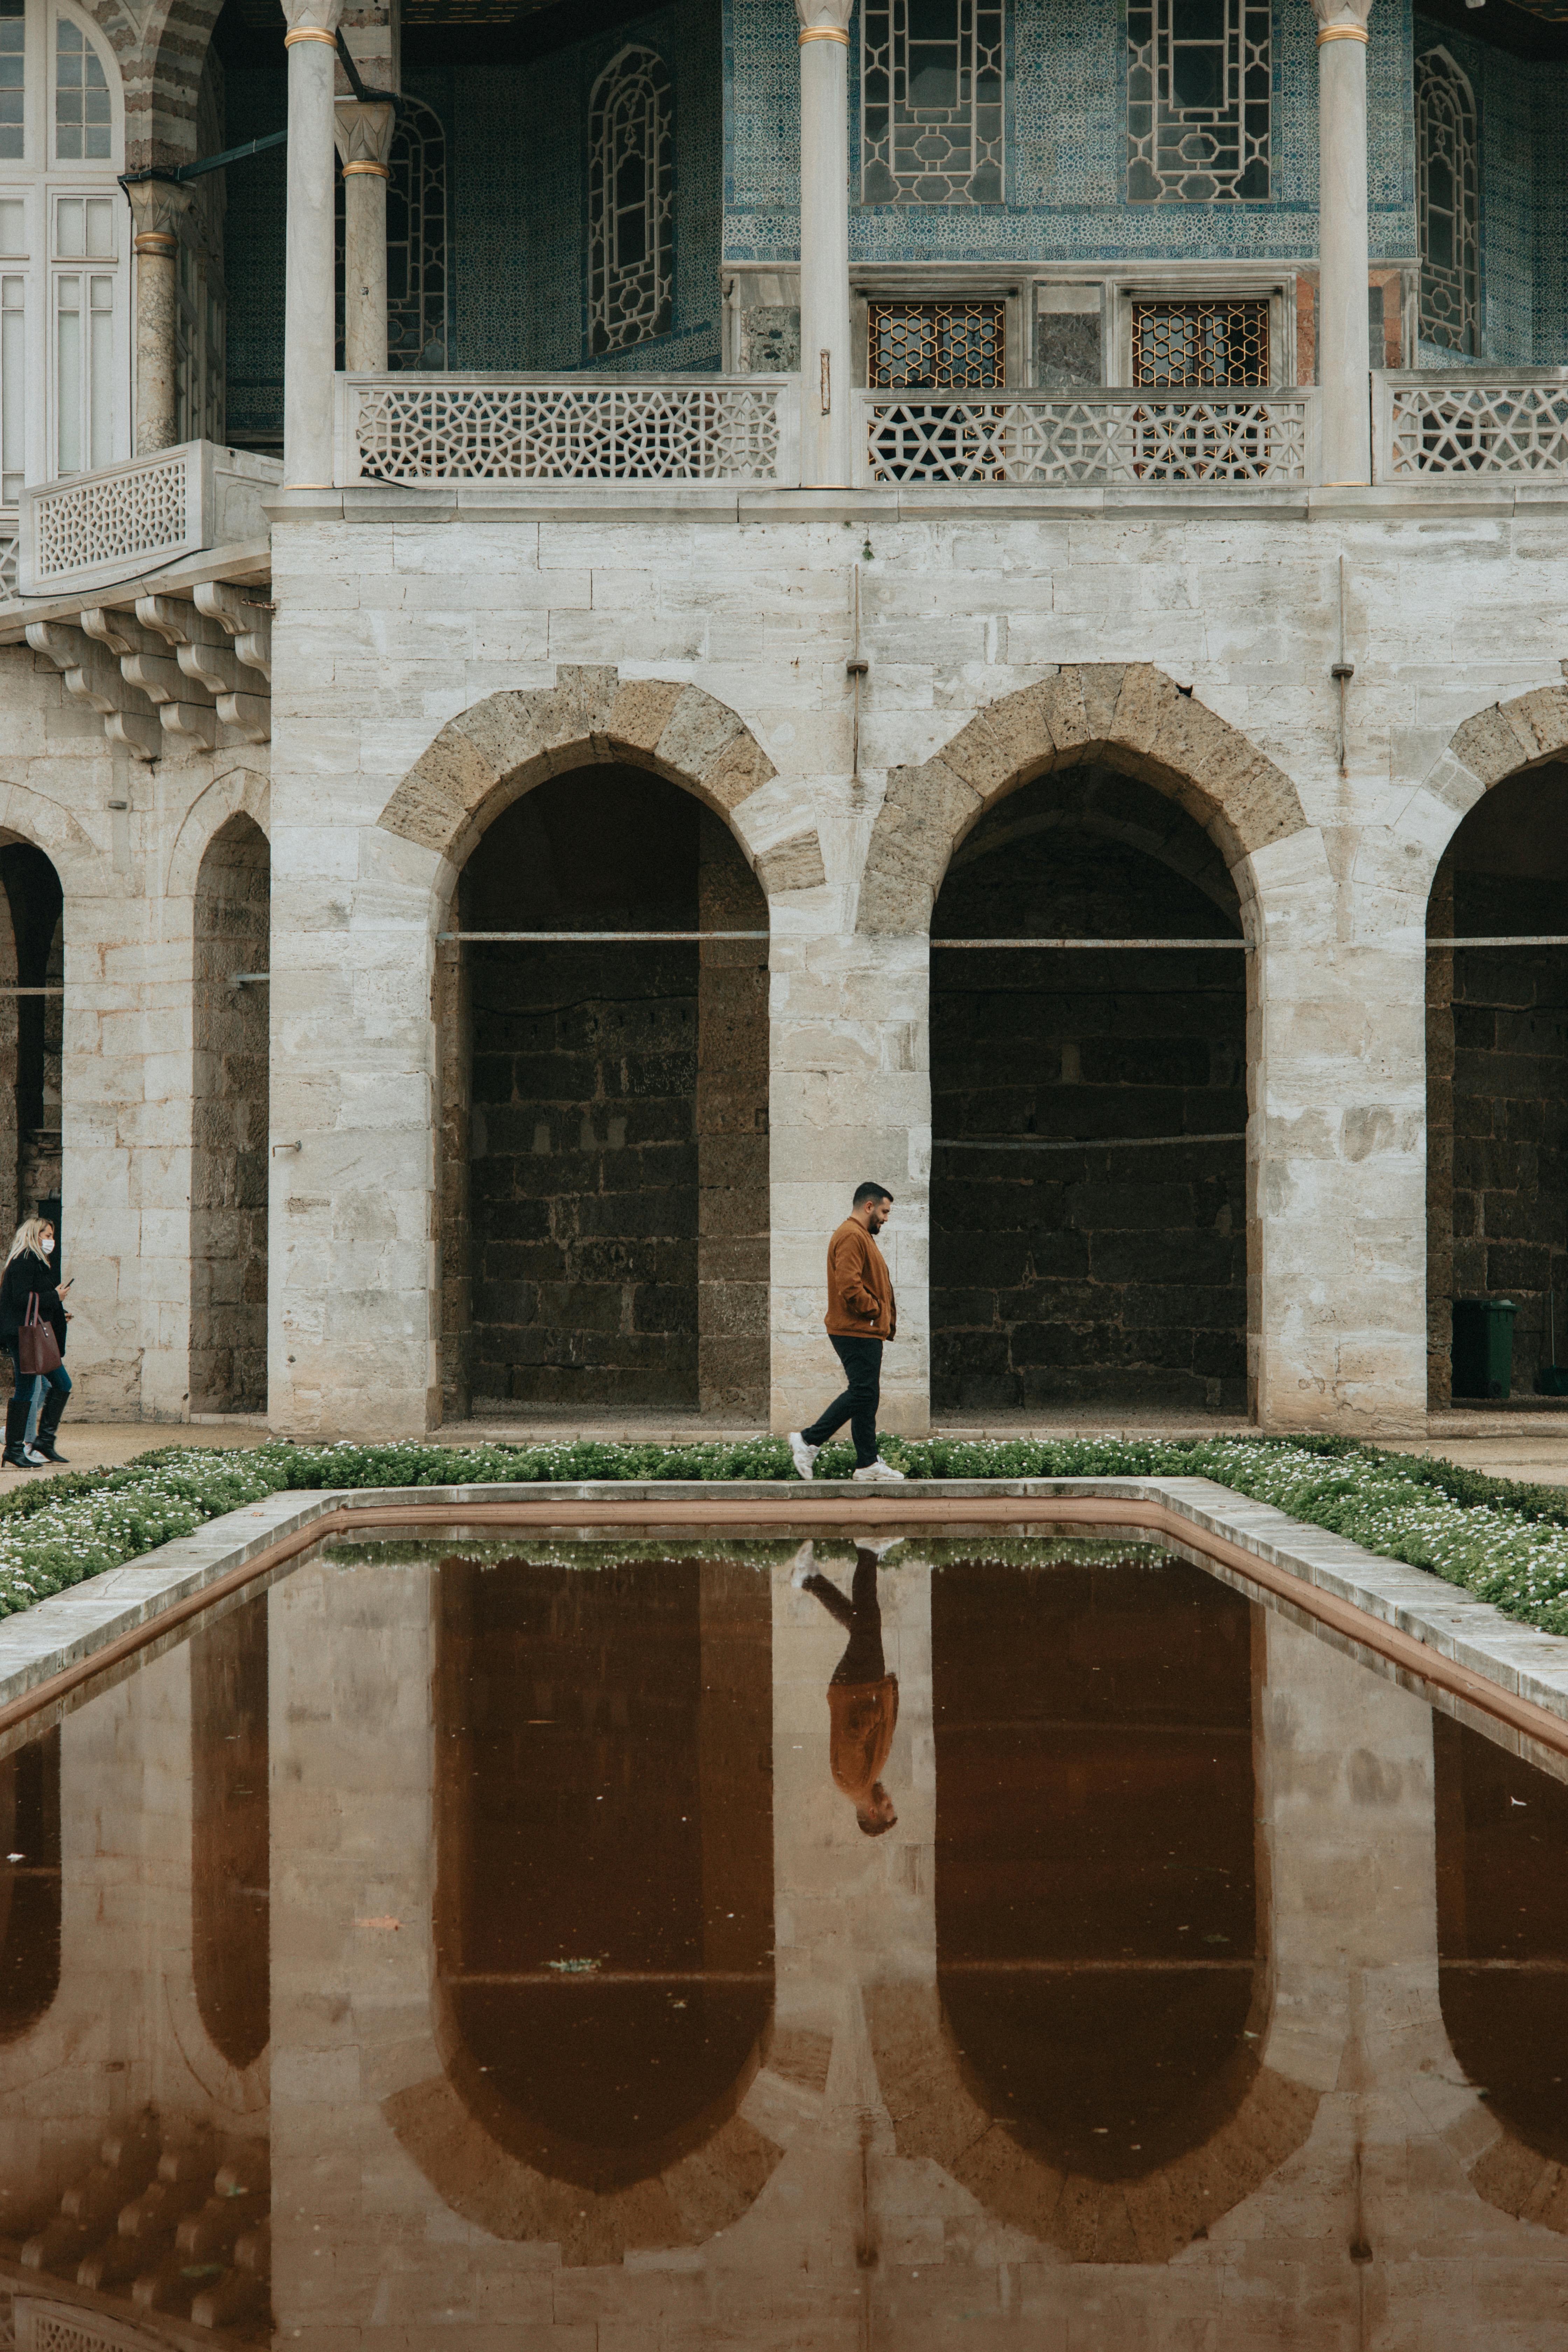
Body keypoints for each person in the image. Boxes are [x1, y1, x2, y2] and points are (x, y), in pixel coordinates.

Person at [789, 1181, 906, 1484]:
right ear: (869, 1207)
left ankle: (867, 1463)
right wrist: (876, 1311)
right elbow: (850, 1285)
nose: (886, 1218)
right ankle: (808, 1441)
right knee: (863, 1393)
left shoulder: (859, 1235)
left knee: (868, 1396)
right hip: (856, 1329)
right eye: (884, 1211)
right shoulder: (852, 1236)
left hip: (863, 1330)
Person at [792, 1538, 899, 1836]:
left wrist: (879, 1712)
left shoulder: (854, 1784)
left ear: (873, 1812)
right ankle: (811, 1578)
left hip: (859, 1689)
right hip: (862, 1688)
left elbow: (854, 1735)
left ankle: (867, 1552)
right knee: (862, 1623)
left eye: (888, 1806)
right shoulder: (864, 1782)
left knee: (867, 1622)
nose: (891, 1799)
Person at [0, 1217, 71, 1470]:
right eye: (47, 1235)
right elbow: (21, 1299)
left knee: (61, 1384)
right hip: (25, 1337)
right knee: (26, 1389)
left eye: (52, 1236)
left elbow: (33, 1302)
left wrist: (57, 1309)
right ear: (34, 1235)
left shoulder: (37, 1263)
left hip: (34, 1336)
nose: (51, 1240)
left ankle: (43, 1442)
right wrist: (56, 1296)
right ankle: (15, 1448)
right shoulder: (23, 1262)